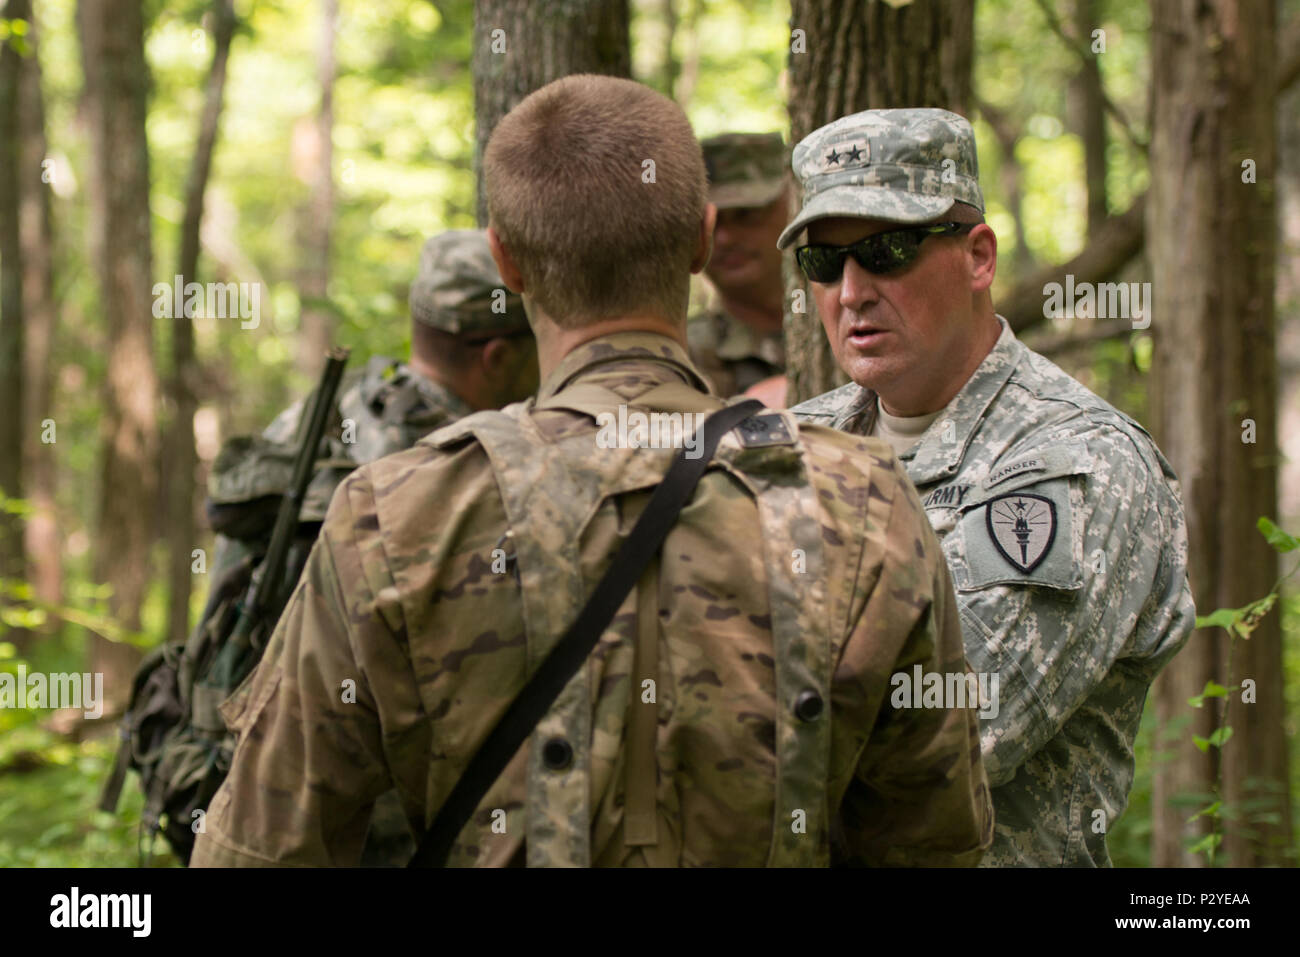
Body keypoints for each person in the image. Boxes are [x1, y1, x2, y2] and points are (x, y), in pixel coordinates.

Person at [190, 76, 993, 868]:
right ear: (702, 242)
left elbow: (261, 849)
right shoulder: (865, 499)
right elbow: (934, 844)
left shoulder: (393, 515)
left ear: (505, 261)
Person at [783, 108, 1196, 867]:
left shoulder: (1076, 461)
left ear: (977, 257)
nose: (851, 291)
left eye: (888, 250)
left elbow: (955, 729)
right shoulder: (794, 443)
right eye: (823, 262)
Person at [199, 228, 537, 866]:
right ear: (496, 356)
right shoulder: (457, 468)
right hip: (378, 810)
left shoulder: (314, 421)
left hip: (250, 769)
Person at [688, 133, 790, 405]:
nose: (724, 238)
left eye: (746, 215)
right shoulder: (684, 357)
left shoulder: (849, 322)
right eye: (710, 222)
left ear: (791, 206)